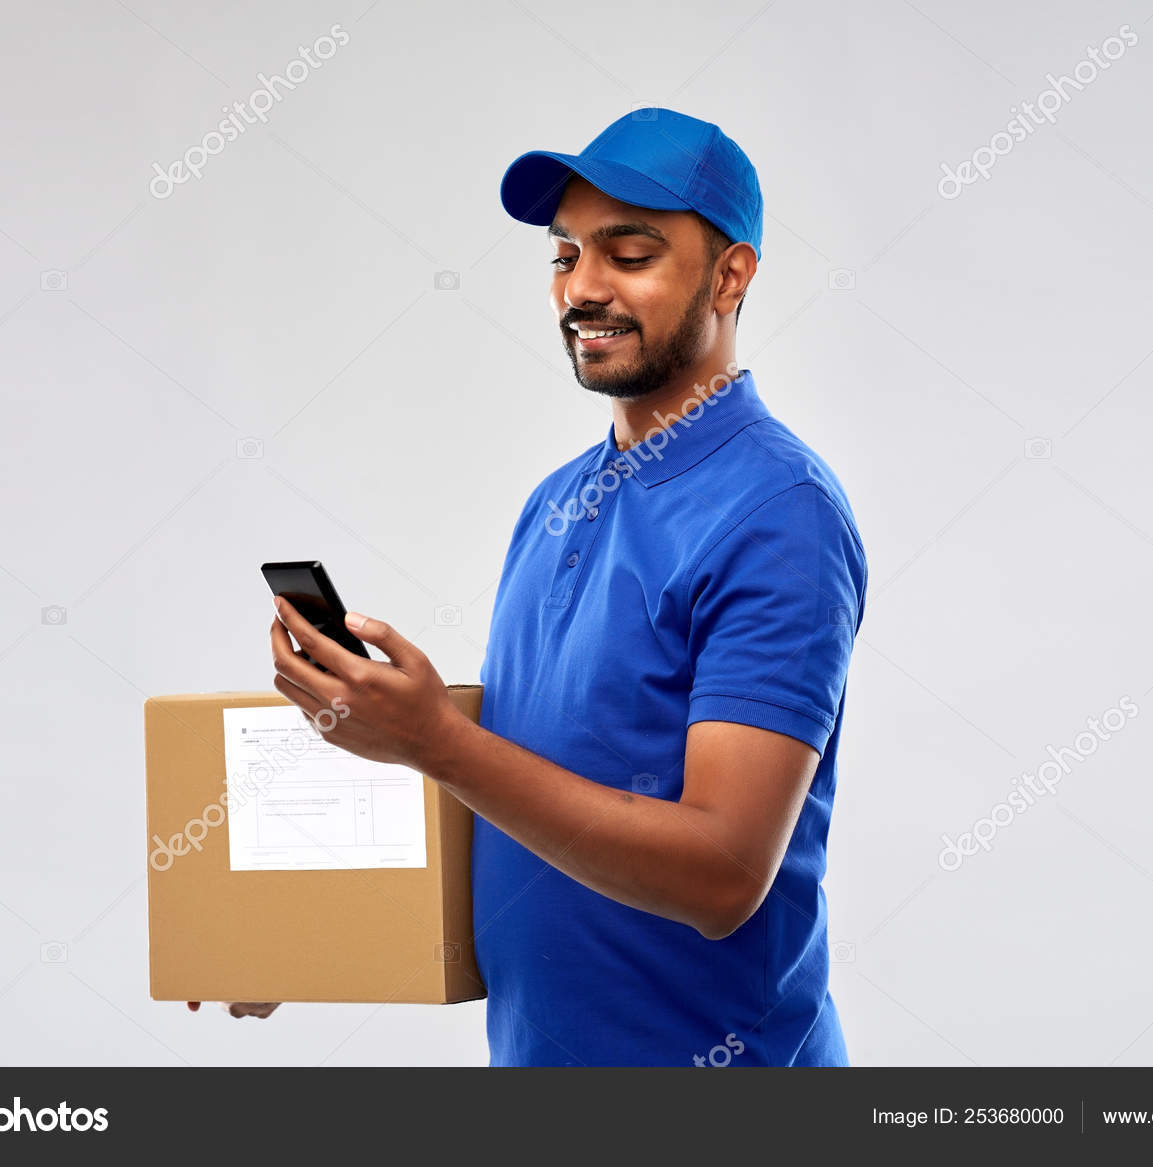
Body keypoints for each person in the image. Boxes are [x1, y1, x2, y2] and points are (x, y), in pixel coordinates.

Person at [222, 107, 868, 1067]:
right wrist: (307, 930)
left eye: (631, 253)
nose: (583, 288)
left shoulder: (782, 512)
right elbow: (520, 802)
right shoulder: (554, 504)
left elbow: (723, 872)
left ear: (731, 276)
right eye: (565, 255)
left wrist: (437, 739)